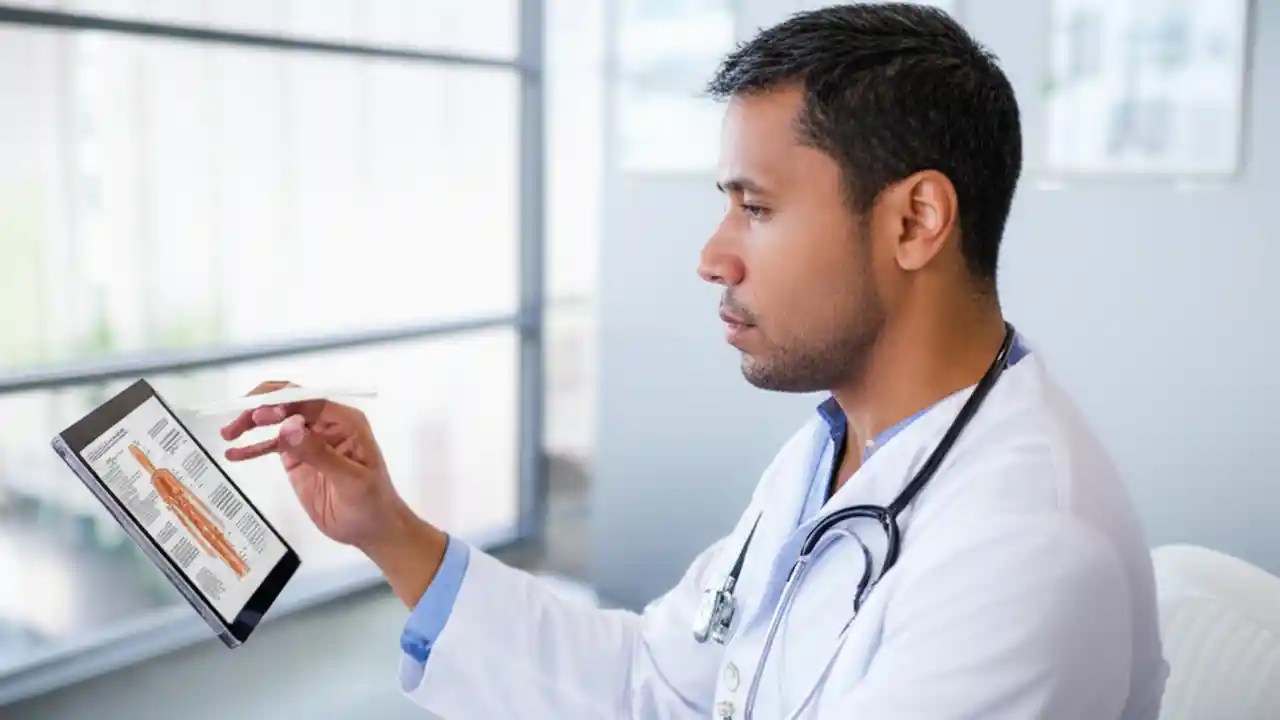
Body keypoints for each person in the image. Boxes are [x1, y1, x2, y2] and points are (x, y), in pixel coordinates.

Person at [222, 5, 1167, 718]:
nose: (712, 256)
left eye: (754, 207)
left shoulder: (1025, 550)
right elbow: (658, 679)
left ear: (913, 220)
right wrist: (386, 528)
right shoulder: (837, 452)